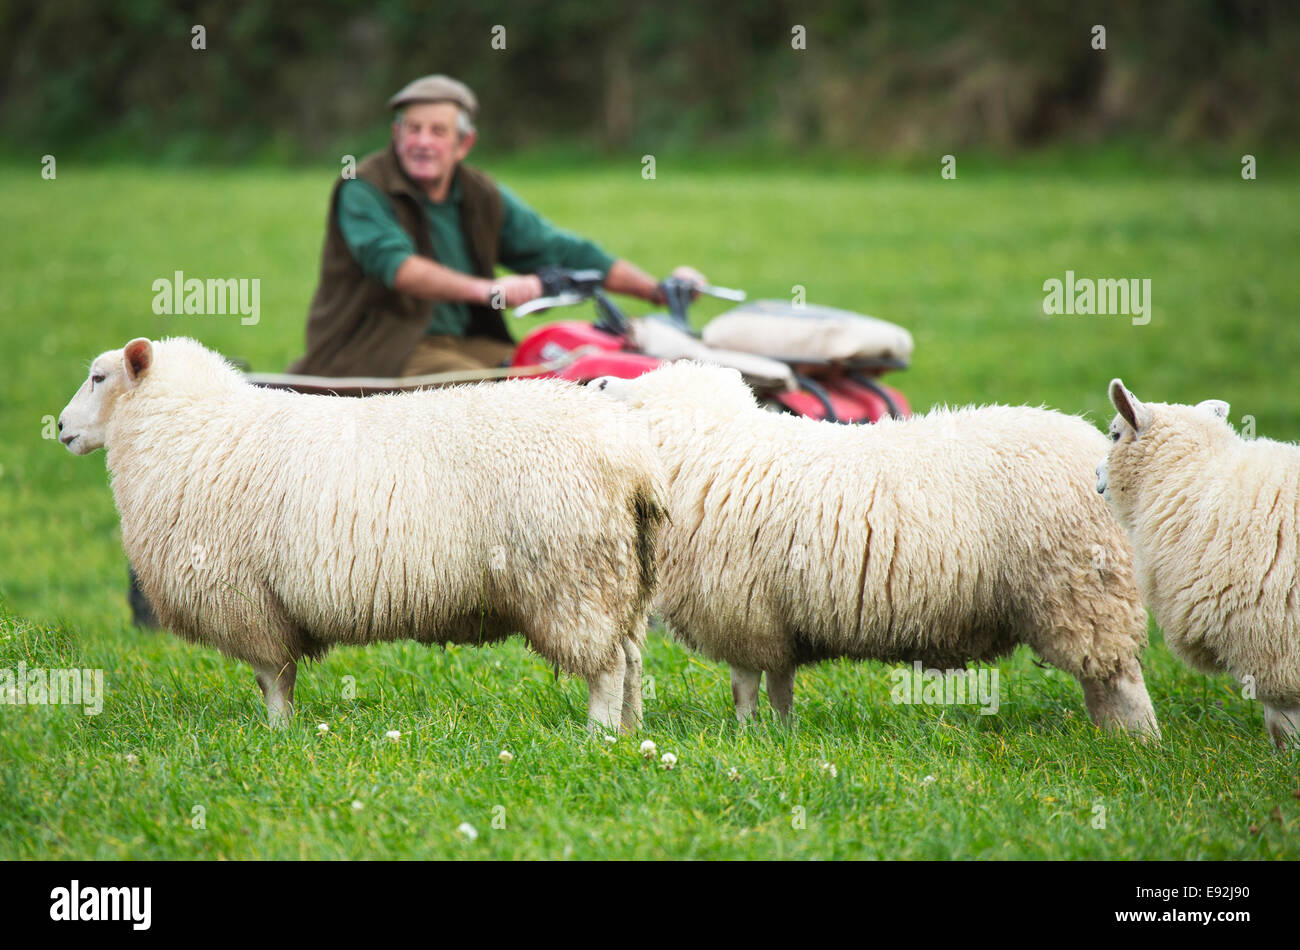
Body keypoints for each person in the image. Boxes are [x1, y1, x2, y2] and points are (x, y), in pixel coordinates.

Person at [290, 74, 705, 377]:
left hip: (466, 343)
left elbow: (561, 249)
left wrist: (658, 291)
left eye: (437, 131)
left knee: (562, 369)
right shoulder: (363, 188)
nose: (422, 142)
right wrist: (488, 292)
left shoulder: (478, 192)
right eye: (413, 129)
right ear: (395, 135)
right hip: (376, 348)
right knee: (501, 400)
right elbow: (397, 267)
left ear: (463, 143)